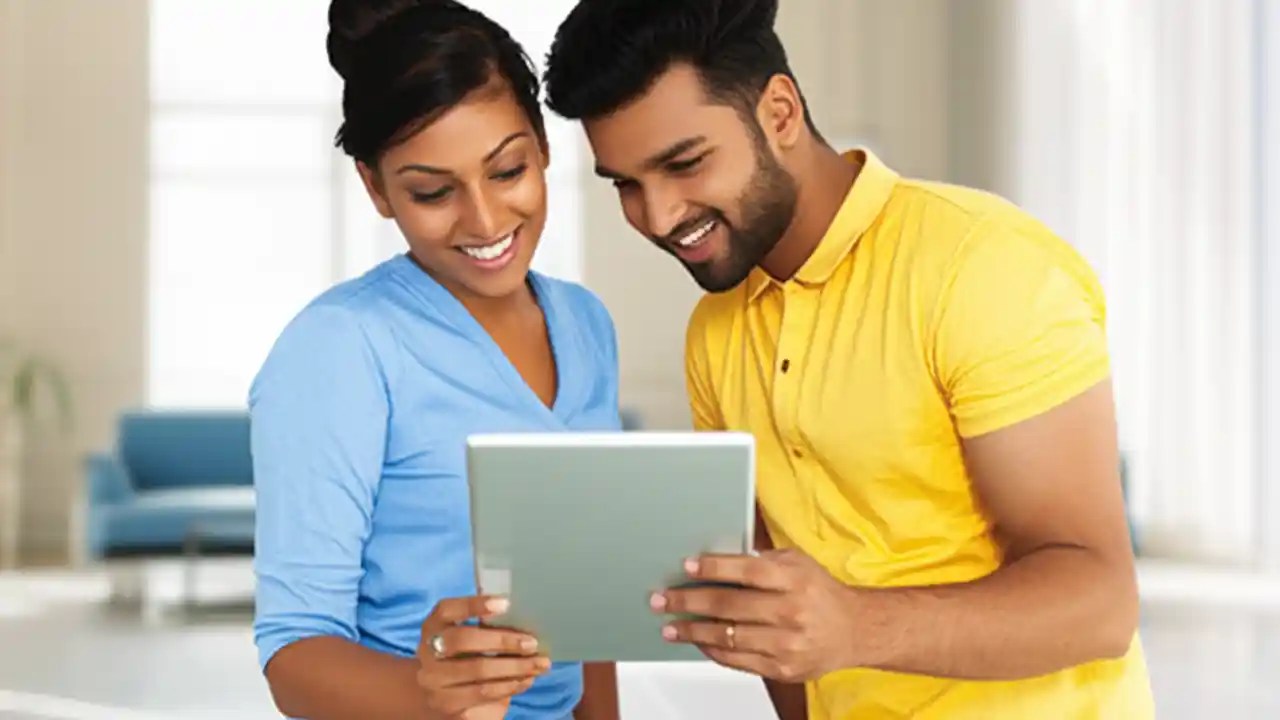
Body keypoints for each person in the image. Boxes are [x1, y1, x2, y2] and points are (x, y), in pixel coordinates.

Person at [543, 0, 1154, 718]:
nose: (657, 215)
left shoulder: (980, 266)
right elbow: (786, 629)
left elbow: (1098, 603)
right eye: (626, 184)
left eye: (685, 164)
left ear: (779, 112)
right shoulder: (716, 331)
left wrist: (855, 625)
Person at [249, 2, 620, 718]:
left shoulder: (586, 325)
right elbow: (293, 652)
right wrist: (430, 693)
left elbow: (585, 605)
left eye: (507, 170)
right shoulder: (340, 347)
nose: (483, 222)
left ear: (543, 146)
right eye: (432, 191)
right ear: (375, 188)